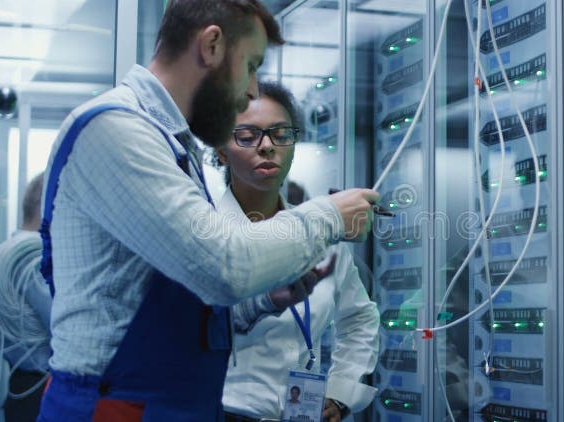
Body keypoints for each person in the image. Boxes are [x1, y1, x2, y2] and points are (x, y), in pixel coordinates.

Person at [36, 1, 378, 420]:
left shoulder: (169, 144)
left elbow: (168, 300)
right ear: (212, 45)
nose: (252, 90)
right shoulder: (117, 130)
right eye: (251, 65)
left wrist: (261, 303)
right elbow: (224, 267)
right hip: (115, 408)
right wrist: (330, 215)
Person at [216, 81, 379, 422]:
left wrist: (340, 394)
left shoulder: (323, 233)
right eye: (247, 136)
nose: (266, 147)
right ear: (220, 150)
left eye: (281, 134)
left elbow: (358, 318)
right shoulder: (206, 231)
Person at [0, 173, 50, 422]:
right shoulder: (32, 256)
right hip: (38, 389)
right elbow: (64, 323)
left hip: (25, 387)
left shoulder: (11, 251)